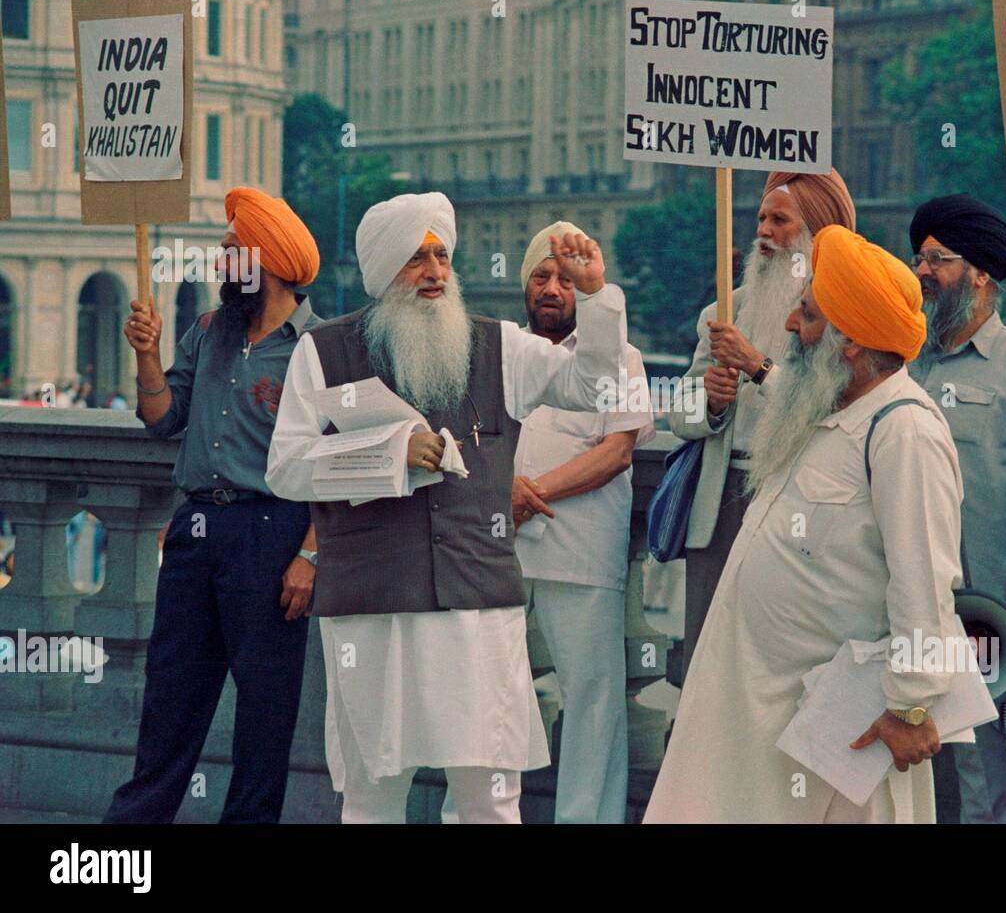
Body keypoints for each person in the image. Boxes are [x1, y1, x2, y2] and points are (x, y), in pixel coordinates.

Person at [265, 192, 627, 824]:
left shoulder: (501, 346)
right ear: (383, 270)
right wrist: (389, 452)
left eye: (441, 257)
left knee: (488, 795)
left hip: (476, 605)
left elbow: (595, 386)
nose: (434, 273)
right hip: (371, 607)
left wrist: (595, 297)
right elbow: (287, 467)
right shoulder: (321, 352)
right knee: (374, 795)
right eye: (415, 259)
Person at [645, 225, 966, 823]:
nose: (791, 325)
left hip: (835, 720)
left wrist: (910, 707)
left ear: (849, 343)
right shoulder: (826, 407)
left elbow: (924, 583)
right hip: (756, 703)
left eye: (809, 316)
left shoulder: (904, 431)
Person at [104, 188, 322, 824]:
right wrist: (146, 356)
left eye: (232, 250)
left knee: (264, 715)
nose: (219, 262)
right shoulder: (207, 332)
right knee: (170, 698)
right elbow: (161, 419)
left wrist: (308, 554)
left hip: (274, 533)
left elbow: (336, 466)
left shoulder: (318, 350)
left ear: (270, 262)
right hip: (197, 530)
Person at [907, 194, 1006, 824]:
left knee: (983, 751)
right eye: (918, 258)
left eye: (936, 259)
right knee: (888, 740)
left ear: (980, 272)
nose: (921, 271)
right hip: (895, 590)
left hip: (986, 603)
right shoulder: (900, 358)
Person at [673, 168, 856, 679]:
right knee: (708, 665)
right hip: (720, 501)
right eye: (760, 219)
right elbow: (680, 410)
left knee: (775, 666)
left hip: (794, 502)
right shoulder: (726, 309)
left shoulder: (842, 316)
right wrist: (709, 404)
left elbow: (833, 409)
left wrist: (758, 367)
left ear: (815, 233)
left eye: (780, 220)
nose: (764, 231)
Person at [507, 221, 656, 823]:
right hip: (500, 548)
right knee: (489, 692)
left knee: (593, 700)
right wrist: (502, 495)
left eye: (565, 280)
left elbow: (617, 452)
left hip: (580, 551)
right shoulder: (505, 352)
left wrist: (530, 492)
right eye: (540, 276)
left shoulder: (622, 356)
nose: (552, 289)